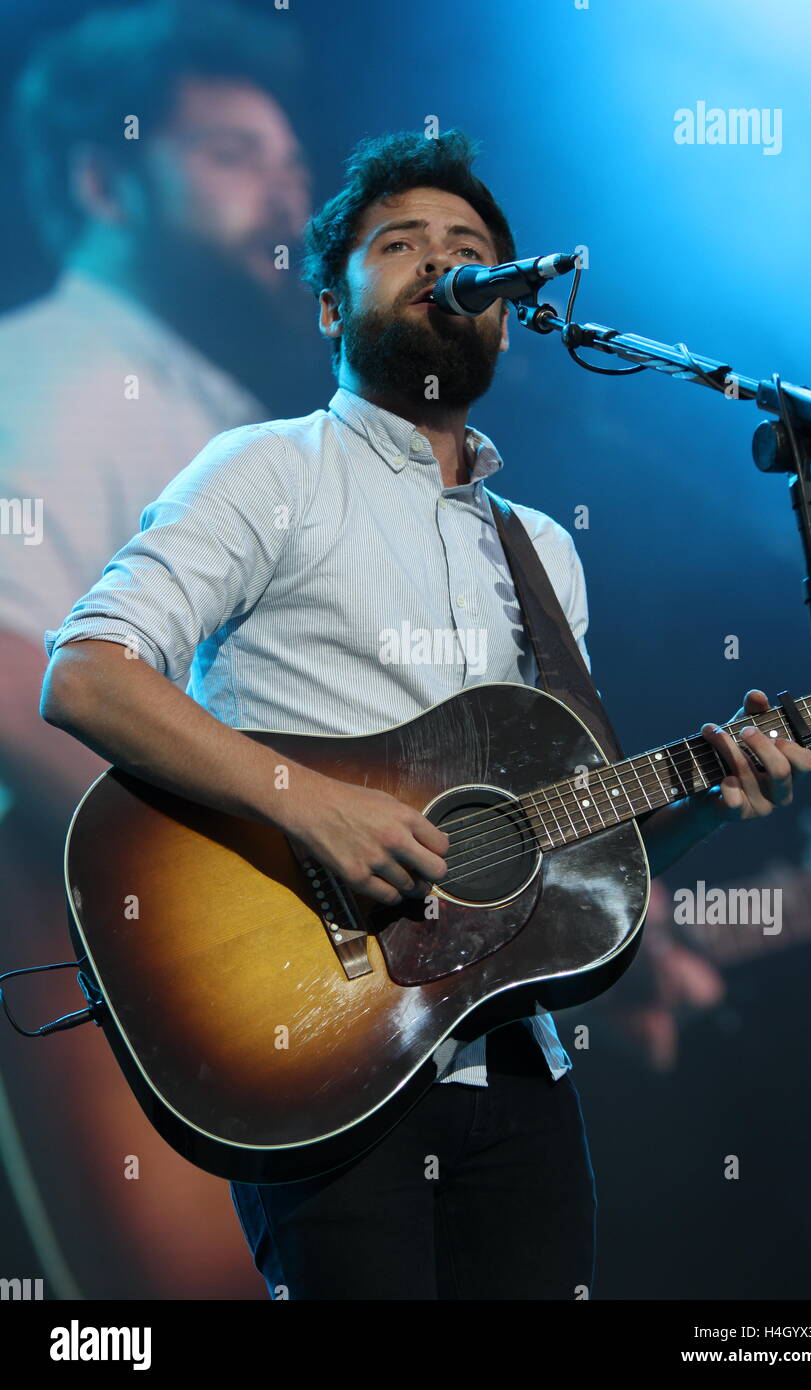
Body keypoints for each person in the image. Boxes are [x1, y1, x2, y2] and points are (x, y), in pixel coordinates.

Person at [39, 128, 811, 1300]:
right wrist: (318, 807)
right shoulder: (266, 471)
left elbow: (574, 854)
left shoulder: (542, 549)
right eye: (398, 244)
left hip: (516, 1073)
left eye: (467, 251)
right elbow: (85, 672)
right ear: (327, 307)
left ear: (505, 311)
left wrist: (707, 800)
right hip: (319, 1045)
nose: (440, 263)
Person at [0, 0, 317, 1298]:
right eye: (234, 154)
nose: (288, 196)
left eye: (295, 165)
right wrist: (260, 897)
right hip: (163, 1002)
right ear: (101, 178)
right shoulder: (59, 375)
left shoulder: (229, 417)